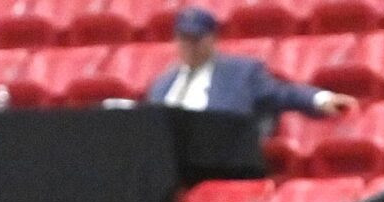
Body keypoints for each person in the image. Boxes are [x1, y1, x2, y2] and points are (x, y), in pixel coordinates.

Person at [143, 7, 352, 134]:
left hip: (219, 159)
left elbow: (282, 93)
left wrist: (321, 99)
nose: (189, 46)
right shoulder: (163, 83)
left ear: (212, 39)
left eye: (195, 39)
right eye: (183, 39)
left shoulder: (241, 74)